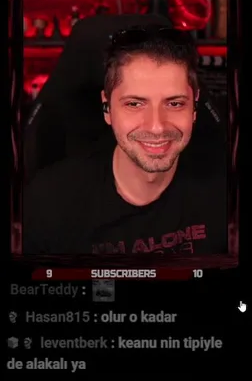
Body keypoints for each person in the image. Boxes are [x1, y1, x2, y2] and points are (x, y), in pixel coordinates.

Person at [23, 26, 227, 256]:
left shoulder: (225, 191)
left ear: (194, 106)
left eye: (175, 103)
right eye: (134, 104)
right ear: (107, 107)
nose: (157, 127)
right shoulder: (47, 203)